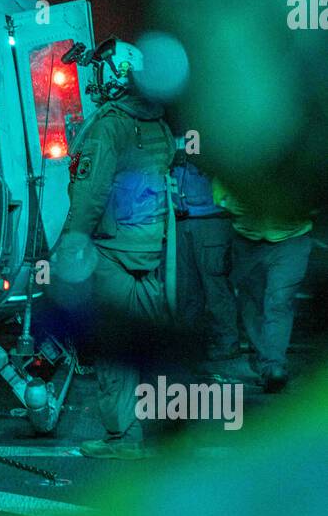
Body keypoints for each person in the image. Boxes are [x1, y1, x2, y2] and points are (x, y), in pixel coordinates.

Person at [54, 37, 176, 459]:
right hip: (153, 251)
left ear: (120, 74)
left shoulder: (109, 125)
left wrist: (70, 243)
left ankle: (122, 437)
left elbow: (90, 193)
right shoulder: (158, 122)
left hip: (113, 252)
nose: (97, 75)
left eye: (104, 69)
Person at [214, 183, 313, 392]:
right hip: (247, 240)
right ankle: (266, 361)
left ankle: (273, 365)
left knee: (278, 302)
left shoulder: (302, 155)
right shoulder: (238, 153)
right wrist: (233, 202)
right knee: (252, 305)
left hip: (291, 239)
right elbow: (219, 190)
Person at [171, 141, 239, 361]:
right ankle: (192, 343)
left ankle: (227, 342)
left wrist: (184, 155)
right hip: (181, 217)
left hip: (211, 217)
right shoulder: (169, 122)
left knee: (216, 285)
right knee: (187, 289)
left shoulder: (208, 117)